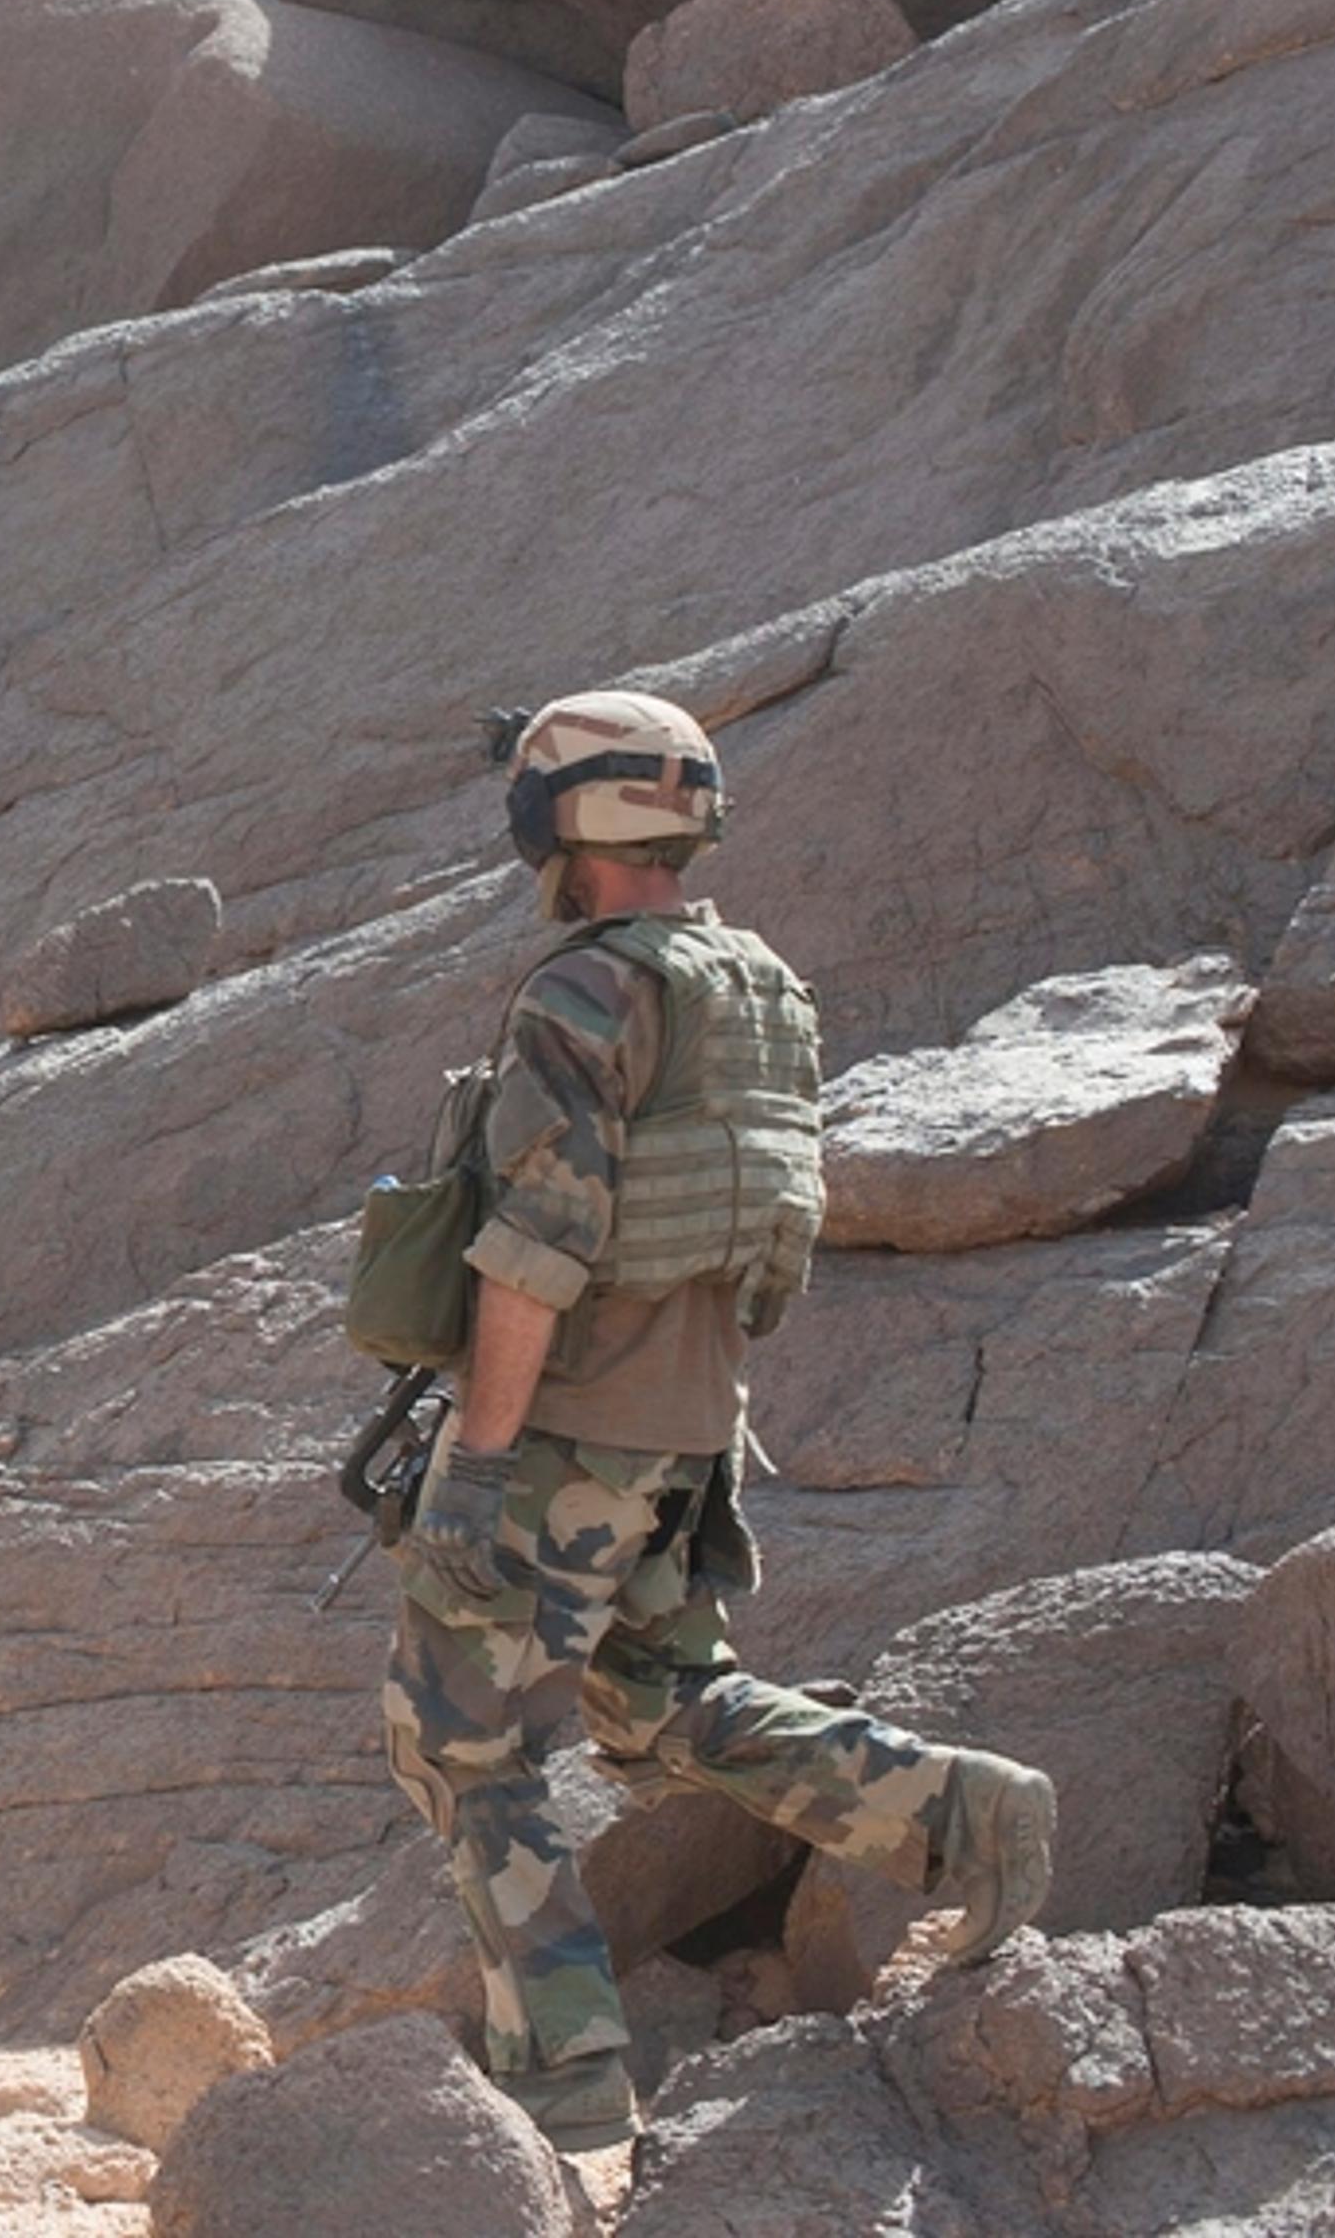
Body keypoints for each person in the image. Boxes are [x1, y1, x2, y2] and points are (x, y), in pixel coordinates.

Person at [383, 689, 1058, 2153]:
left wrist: (475, 1463)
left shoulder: (583, 994)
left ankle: (560, 2090)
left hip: (566, 1434)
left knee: (459, 1738)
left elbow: (535, 1252)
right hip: (690, 1437)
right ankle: (960, 1814)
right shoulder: (758, 985)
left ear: (573, 824)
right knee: (655, 1705)